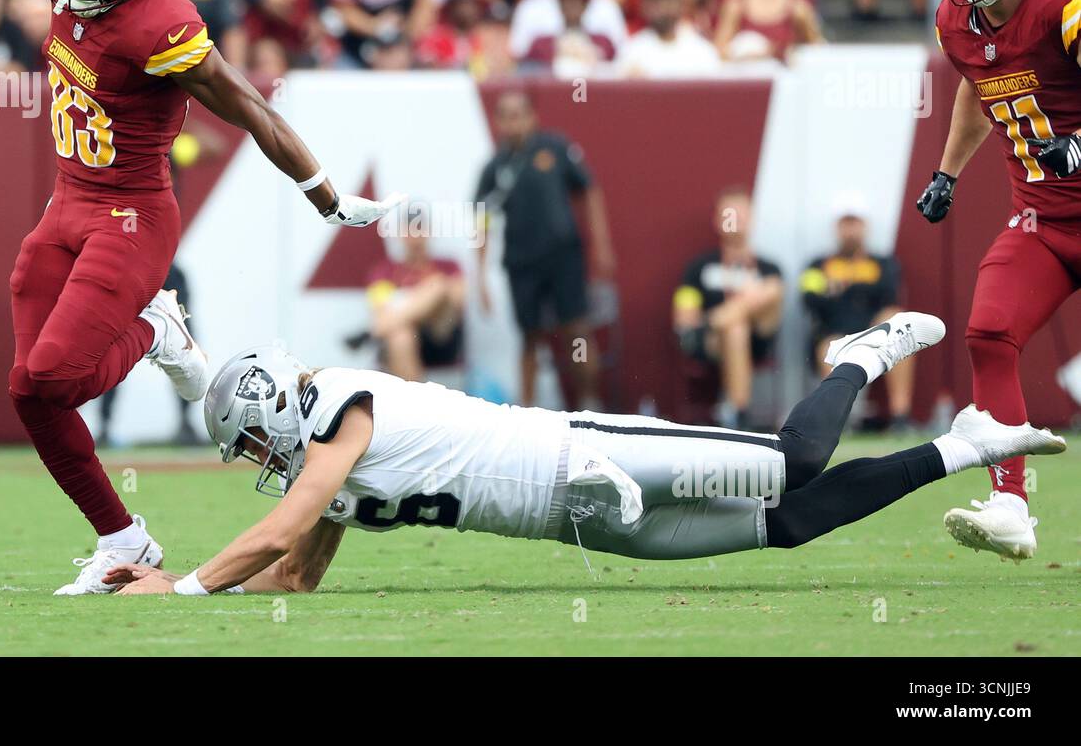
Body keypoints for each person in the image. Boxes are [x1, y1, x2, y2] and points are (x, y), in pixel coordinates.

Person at [0, 0, 402, 595]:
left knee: (58, 378)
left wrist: (326, 196)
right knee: (26, 391)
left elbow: (254, 110)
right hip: (65, 204)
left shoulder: (162, 23)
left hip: (130, 217)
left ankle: (156, 330)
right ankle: (122, 538)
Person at [100, 315, 1067, 596]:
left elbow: (281, 525)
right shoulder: (327, 482)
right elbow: (291, 580)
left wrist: (183, 592)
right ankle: (961, 448)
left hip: (585, 455)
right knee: (787, 528)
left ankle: (857, 357)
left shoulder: (336, 406)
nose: (263, 457)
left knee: (788, 463)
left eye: (255, 437)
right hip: (581, 522)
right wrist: (179, 587)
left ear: (278, 403)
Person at [918, 0, 1081, 561]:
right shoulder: (957, 20)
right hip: (1045, 221)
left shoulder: (1064, 0)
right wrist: (947, 172)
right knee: (988, 330)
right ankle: (1012, 504)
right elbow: (976, 88)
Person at [475, 91, 615, 408]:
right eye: (506, 116)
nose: (513, 123)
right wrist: (480, 275)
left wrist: (601, 243)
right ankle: (524, 410)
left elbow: (588, 189)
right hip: (521, 262)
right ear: (497, 122)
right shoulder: (495, 167)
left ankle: (590, 403)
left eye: (519, 114)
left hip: (563, 256)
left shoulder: (555, 149)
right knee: (529, 336)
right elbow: (482, 217)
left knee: (576, 329)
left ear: (533, 117)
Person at [674, 188, 783, 430]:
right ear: (717, 220)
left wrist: (732, 311)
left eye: (741, 215)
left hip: (758, 338)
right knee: (735, 329)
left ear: (752, 220)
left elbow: (772, 310)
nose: (735, 221)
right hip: (710, 339)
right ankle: (738, 415)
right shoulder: (699, 268)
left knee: (769, 292)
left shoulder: (768, 268)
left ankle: (733, 410)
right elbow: (684, 319)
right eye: (729, 215)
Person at [802, 194, 913, 431]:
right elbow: (809, 298)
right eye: (845, 224)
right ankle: (838, 423)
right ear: (837, 227)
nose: (850, 231)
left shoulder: (883, 263)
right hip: (834, 335)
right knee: (828, 349)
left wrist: (841, 286)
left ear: (864, 227)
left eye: (855, 223)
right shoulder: (817, 264)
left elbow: (889, 295)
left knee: (901, 327)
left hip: (875, 335)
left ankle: (900, 416)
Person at [356, 224, 465, 382]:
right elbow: (379, 310)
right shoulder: (384, 272)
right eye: (410, 232)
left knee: (438, 285)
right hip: (403, 339)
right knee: (400, 336)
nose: (415, 239)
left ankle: (369, 333)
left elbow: (458, 302)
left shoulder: (448, 267)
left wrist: (424, 296)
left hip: (440, 335)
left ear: (428, 233)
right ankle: (416, 405)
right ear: (401, 235)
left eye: (419, 230)